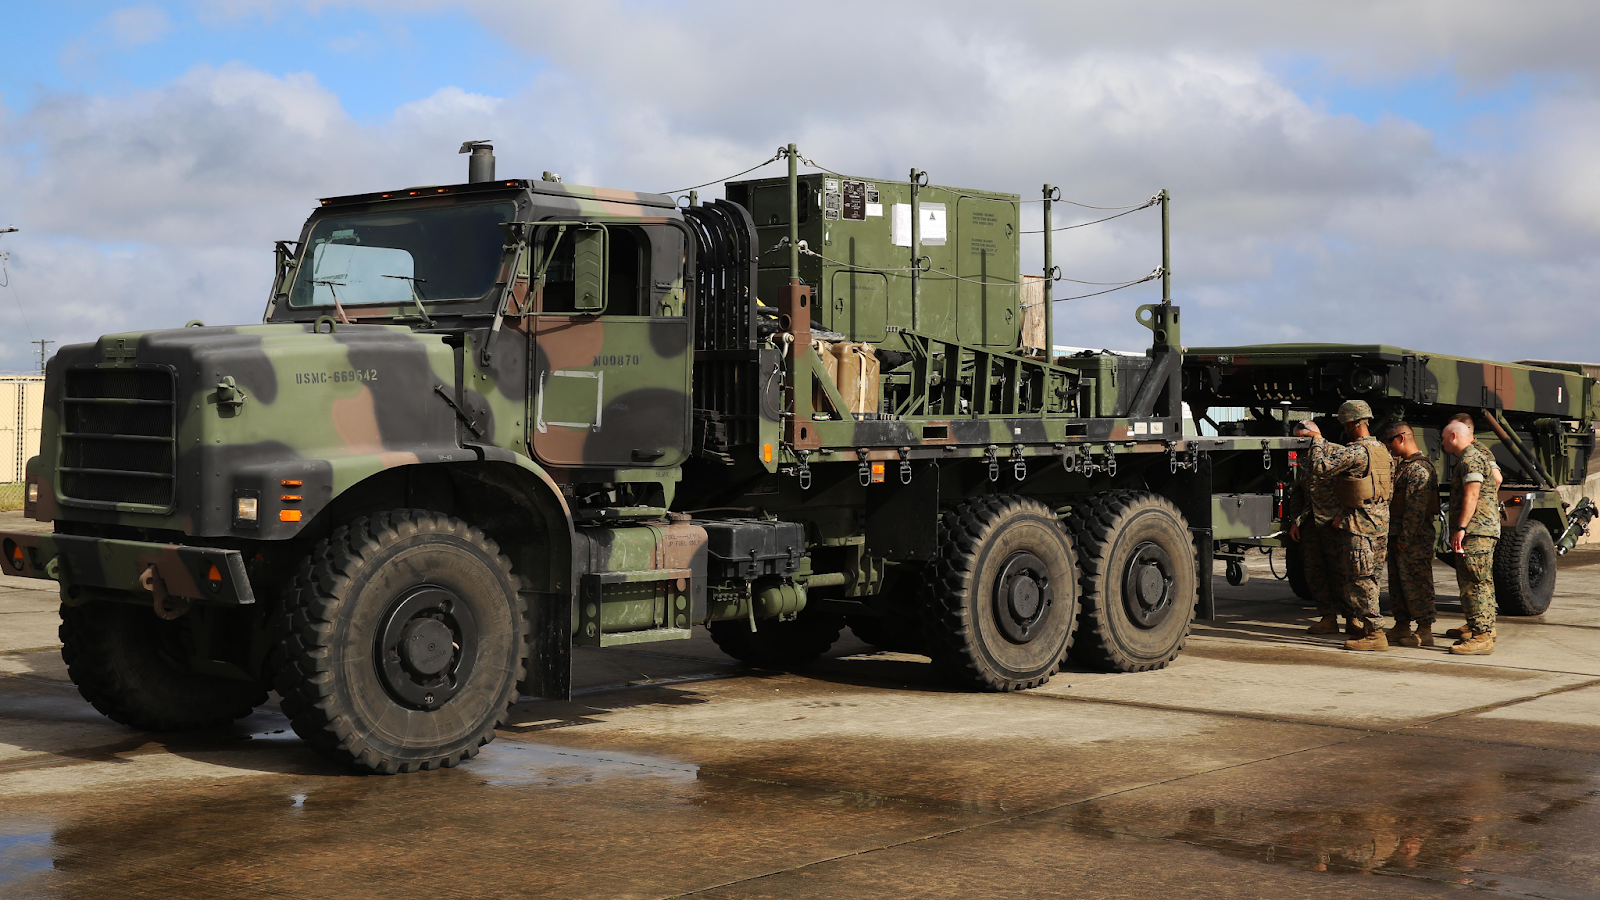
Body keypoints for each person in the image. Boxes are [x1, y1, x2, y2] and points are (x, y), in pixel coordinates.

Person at [1294, 400, 1394, 651]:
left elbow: (1319, 468)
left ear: (1351, 423)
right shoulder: (1381, 450)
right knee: (1369, 578)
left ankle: (1374, 633)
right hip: (1378, 523)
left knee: (1360, 579)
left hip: (1360, 525)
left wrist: (1317, 440)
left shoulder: (1355, 451)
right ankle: (1364, 627)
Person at [1440, 420, 1500, 654]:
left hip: (1476, 531)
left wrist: (1461, 527)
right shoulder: (1470, 457)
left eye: (1444, 437)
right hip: (1480, 529)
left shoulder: (1470, 459)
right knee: (1480, 582)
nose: (1442, 442)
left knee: (1473, 584)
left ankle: (1481, 636)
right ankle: (1484, 629)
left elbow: (1472, 495)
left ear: (1454, 436)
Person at [1379, 421, 1440, 646]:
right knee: (1398, 584)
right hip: (1399, 536)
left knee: (1418, 583)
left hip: (1414, 538)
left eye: (1389, 441)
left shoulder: (1419, 468)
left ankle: (1425, 630)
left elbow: (1417, 508)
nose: (1388, 446)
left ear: (1402, 438)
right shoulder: (1405, 466)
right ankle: (1401, 625)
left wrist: (1406, 537)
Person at [1286, 471, 1358, 635]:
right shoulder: (1308, 460)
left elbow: (1351, 489)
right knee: (1315, 572)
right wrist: (1295, 521)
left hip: (1335, 524)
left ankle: (1352, 617)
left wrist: (1342, 514)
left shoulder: (1340, 455)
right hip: (1311, 525)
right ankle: (1328, 617)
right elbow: (1298, 493)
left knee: (1343, 572)